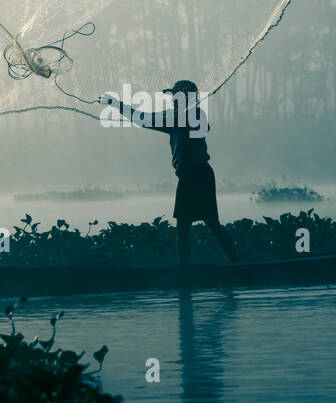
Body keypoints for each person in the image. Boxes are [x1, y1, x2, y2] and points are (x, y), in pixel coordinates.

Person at [101, 80, 239, 266]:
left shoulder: (183, 117)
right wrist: (116, 104)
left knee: (194, 227)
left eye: (176, 97)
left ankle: (208, 269)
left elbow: (141, 119)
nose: (173, 100)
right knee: (197, 227)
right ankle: (227, 265)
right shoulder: (188, 115)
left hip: (196, 176)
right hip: (197, 175)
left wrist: (115, 104)